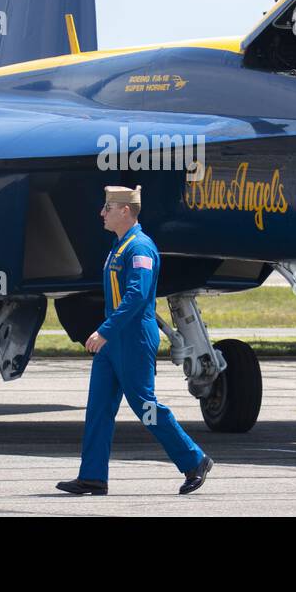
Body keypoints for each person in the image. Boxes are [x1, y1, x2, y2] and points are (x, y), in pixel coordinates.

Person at [57, 185, 213, 495]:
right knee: (98, 407)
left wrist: (105, 330)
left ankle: (194, 459)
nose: (102, 213)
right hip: (114, 341)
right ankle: (93, 476)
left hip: (132, 340)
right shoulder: (120, 246)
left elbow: (137, 296)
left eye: (108, 208)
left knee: (145, 406)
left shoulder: (139, 248)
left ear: (125, 211)